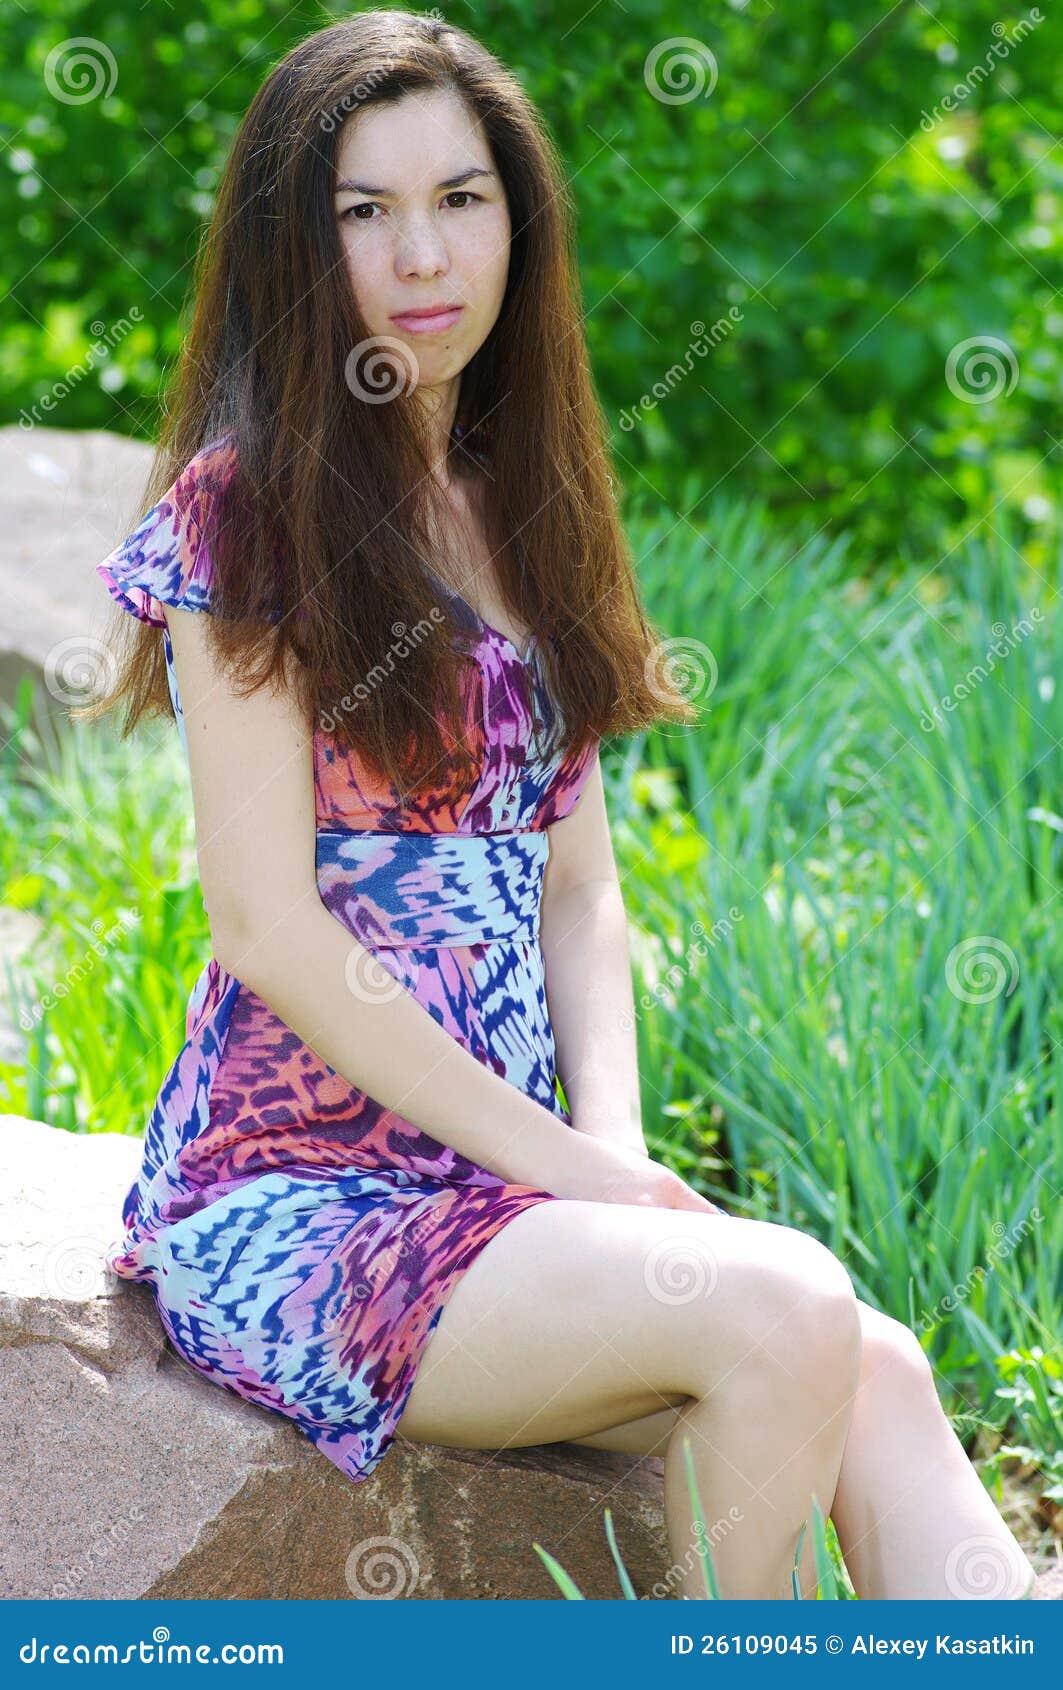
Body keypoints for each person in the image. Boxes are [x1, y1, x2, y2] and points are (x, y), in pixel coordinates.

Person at [80, 9, 1041, 1601]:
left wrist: (611, 1150)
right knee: (791, 1305)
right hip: (307, 1199)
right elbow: (265, 926)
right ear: (292, 245)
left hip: (506, 1186)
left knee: (882, 1362)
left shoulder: (520, 496)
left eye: (462, 198)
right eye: (362, 211)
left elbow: (581, 891)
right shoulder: (243, 511)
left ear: (518, 217)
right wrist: (579, 1179)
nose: (421, 254)